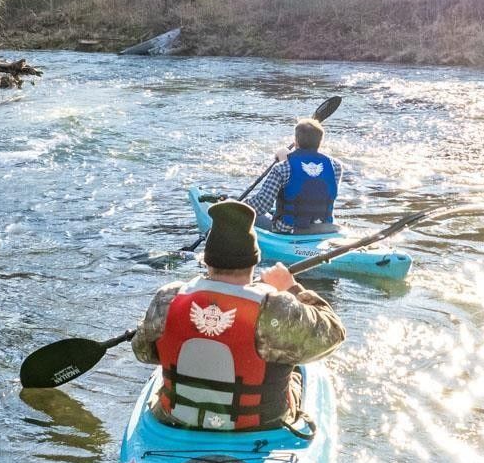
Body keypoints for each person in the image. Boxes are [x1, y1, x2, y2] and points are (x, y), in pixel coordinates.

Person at [133, 200, 343, 430]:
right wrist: (291, 288)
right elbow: (333, 334)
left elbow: (144, 353)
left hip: (175, 421)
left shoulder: (168, 297)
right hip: (259, 427)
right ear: (254, 262)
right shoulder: (274, 307)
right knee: (299, 369)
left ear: (207, 261)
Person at [244, 117, 341, 234]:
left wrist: (237, 205)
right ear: (320, 142)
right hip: (325, 228)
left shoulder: (282, 168)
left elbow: (261, 206)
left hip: (290, 230)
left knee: (247, 214)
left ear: (296, 141)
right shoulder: (335, 166)